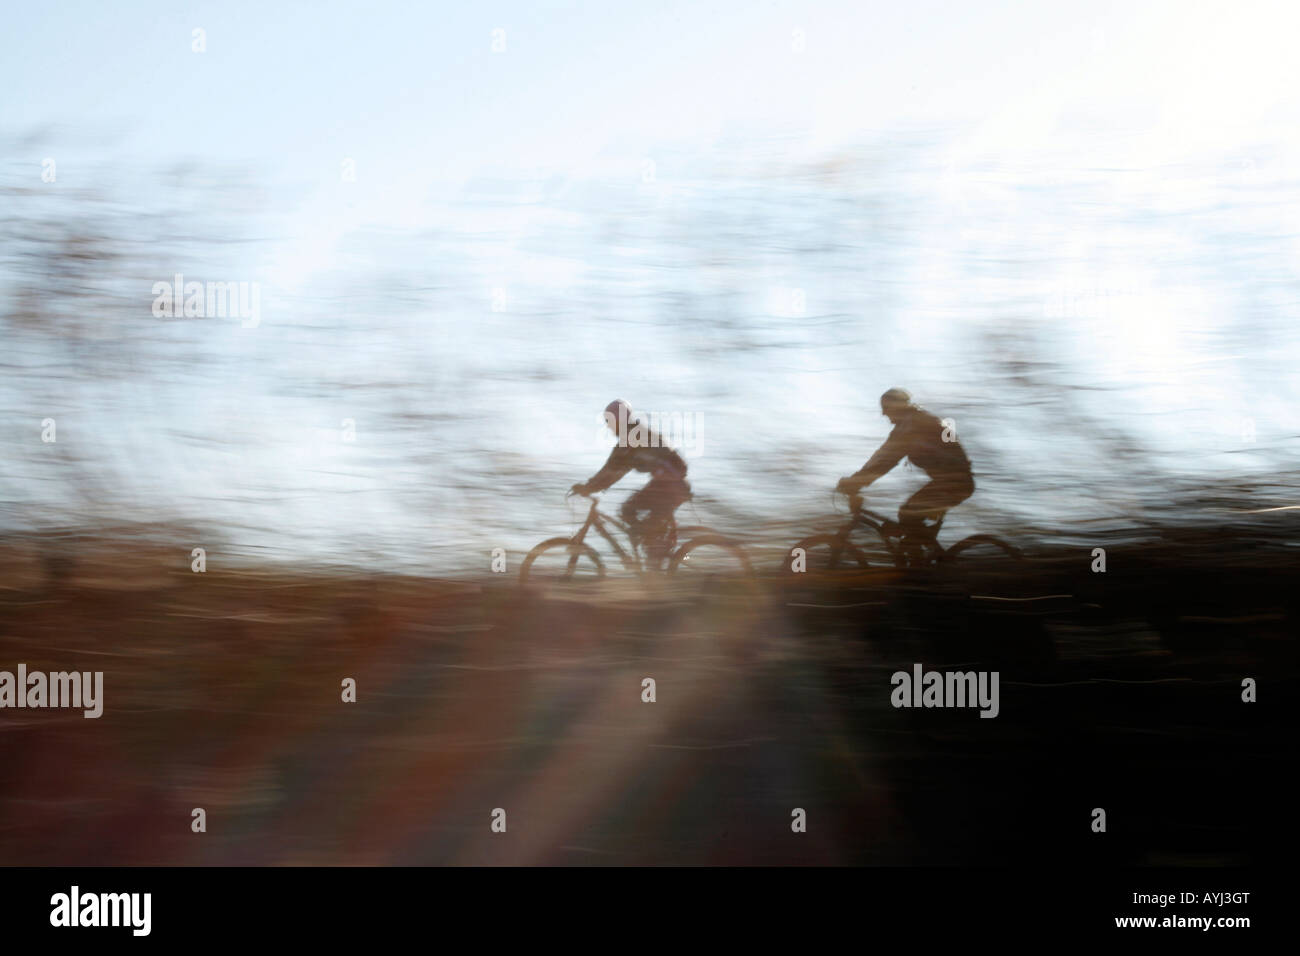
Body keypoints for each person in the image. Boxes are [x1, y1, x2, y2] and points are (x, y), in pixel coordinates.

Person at [836, 389, 974, 551]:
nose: (883, 413)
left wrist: (855, 482)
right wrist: (857, 480)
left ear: (896, 406)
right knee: (909, 520)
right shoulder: (911, 422)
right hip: (954, 482)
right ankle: (920, 562)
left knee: (908, 514)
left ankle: (918, 570)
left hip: (954, 483)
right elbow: (883, 457)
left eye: (886, 407)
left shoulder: (911, 425)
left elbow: (886, 459)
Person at [570, 400, 691, 568]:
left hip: (671, 488)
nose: (608, 427)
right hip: (666, 486)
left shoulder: (633, 439)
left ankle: (663, 554)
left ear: (619, 421)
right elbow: (611, 471)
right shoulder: (631, 438)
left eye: (609, 422)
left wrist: (589, 488)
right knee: (633, 516)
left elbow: (611, 472)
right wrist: (589, 486)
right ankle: (655, 555)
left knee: (632, 515)